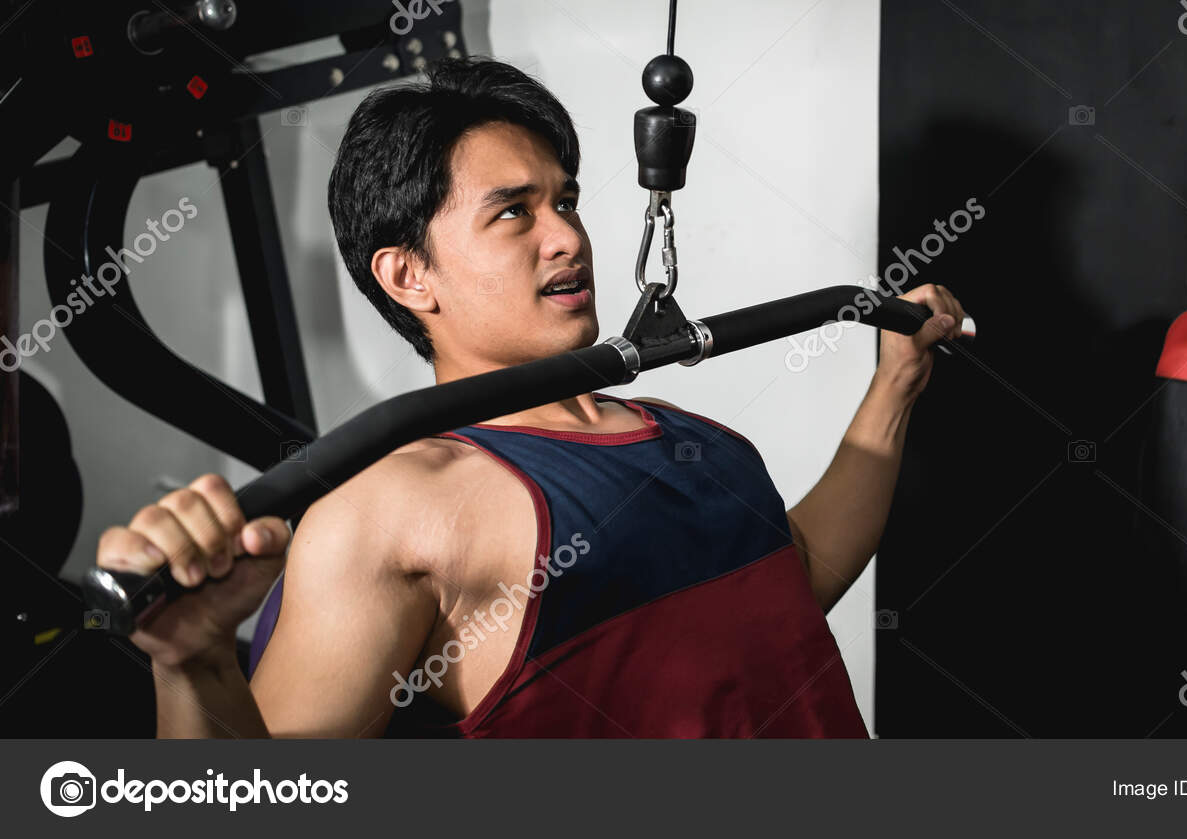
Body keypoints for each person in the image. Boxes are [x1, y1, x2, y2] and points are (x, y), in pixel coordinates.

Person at [94, 58, 966, 738]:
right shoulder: (389, 509)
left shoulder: (695, 437)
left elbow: (797, 580)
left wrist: (894, 383)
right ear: (408, 276)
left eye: (567, 201)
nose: (567, 236)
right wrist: (194, 662)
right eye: (514, 212)